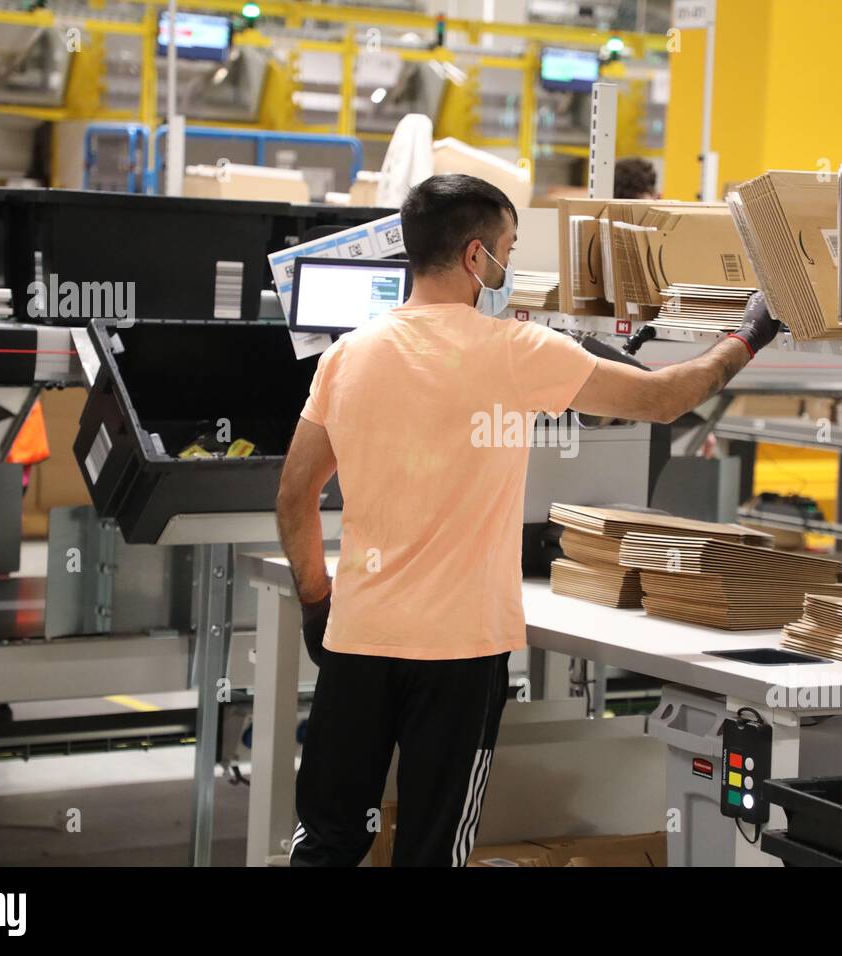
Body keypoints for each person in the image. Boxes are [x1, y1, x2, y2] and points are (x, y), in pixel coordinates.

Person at [276, 173, 778, 866]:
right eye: (509, 249)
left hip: (359, 637)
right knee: (433, 850)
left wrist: (315, 604)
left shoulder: (346, 357)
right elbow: (665, 400)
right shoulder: (515, 351)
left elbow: (295, 494)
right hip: (459, 651)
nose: (510, 269)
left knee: (328, 840)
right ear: (476, 257)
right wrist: (752, 333)